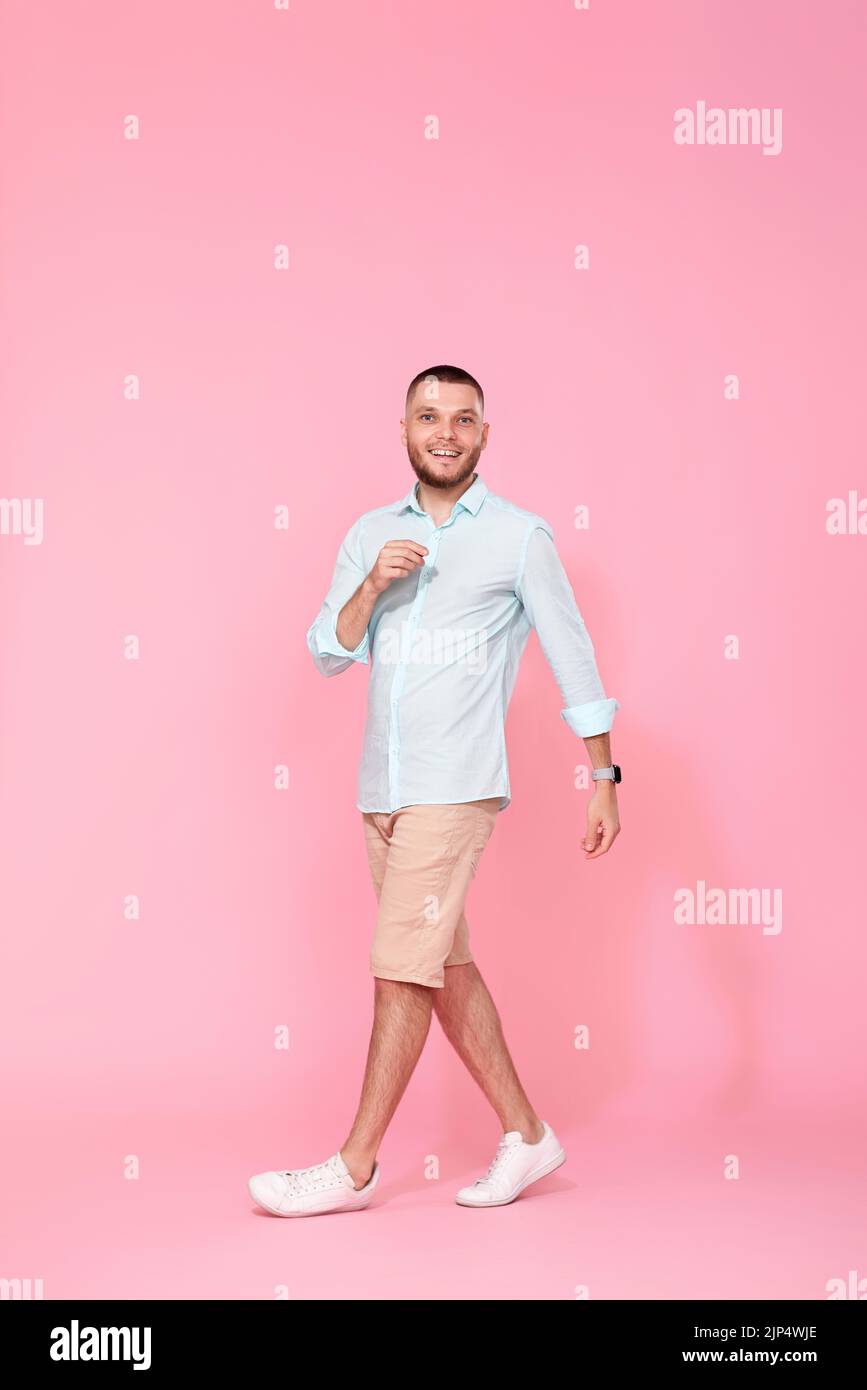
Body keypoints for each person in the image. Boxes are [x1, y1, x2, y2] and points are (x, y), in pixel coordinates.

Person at [248, 365, 621, 1217]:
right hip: (380, 789)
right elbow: (327, 651)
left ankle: (353, 1166)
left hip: (454, 790)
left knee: (400, 973)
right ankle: (528, 1136)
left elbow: (572, 654)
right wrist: (373, 583)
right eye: (428, 416)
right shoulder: (371, 532)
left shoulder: (520, 537)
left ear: (484, 435)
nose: (444, 431)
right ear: (405, 429)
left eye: (462, 418)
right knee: (443, 966)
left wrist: (602, 775)